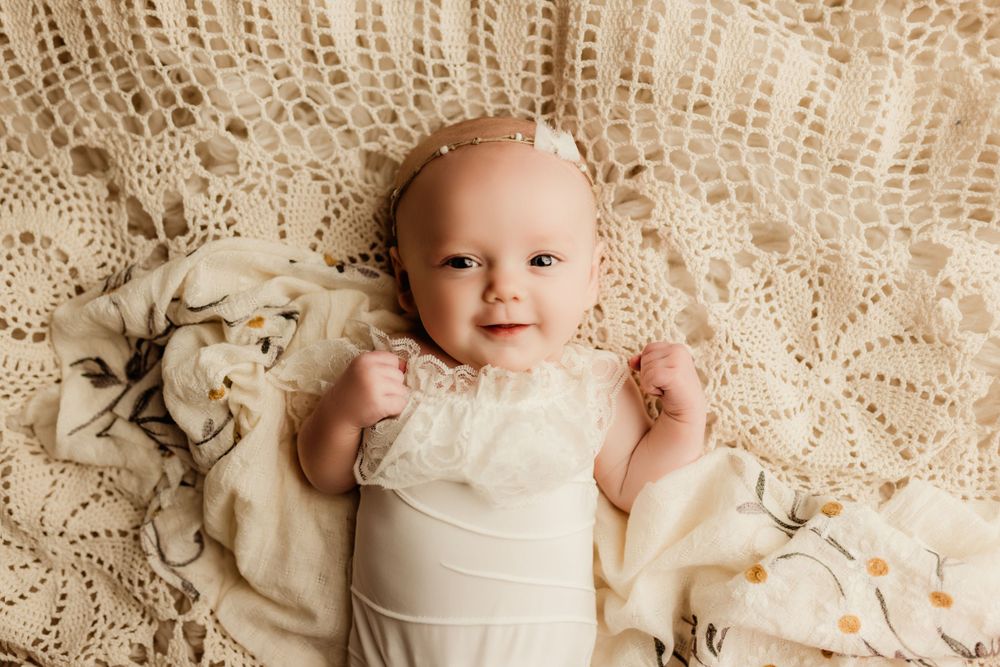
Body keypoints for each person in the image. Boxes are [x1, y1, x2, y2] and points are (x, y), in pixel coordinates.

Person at [295, 116, 707, 666]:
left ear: (592, 276)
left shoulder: (590, 385)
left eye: (542, 261)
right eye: (462, 262)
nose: (504, 289)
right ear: (406, 282)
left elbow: (638, 486)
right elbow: (324, 475)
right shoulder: (399, 374)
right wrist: (344, 413)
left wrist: (682, 417)